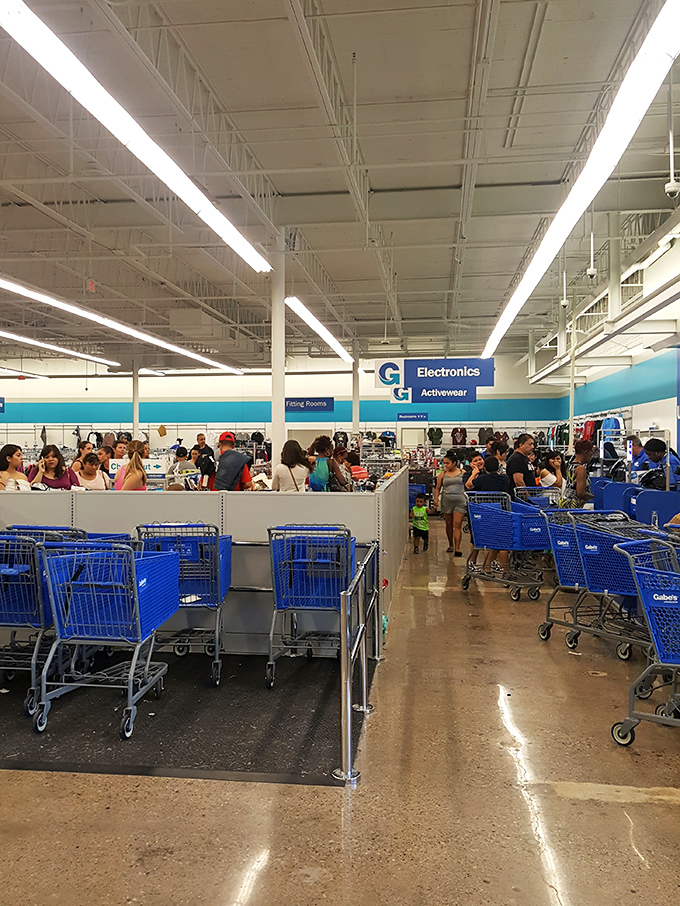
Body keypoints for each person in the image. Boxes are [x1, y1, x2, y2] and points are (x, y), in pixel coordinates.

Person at [433, 450, 466, 555]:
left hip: (460, 501)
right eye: (444, 463)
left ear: (454, 463)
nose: (445, 465)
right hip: (446, 501)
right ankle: (450, 544)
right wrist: (435, 499)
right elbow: (437, 488)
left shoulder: (462, 473)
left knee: (457, 524)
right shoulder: (442, 475)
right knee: (449, 523)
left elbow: (469, 484)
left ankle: (457, 548)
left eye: (447, 463)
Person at [558, 439, 594, 508]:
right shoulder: (581, 468)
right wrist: (593, 497)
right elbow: (580, 493)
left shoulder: (570, 465)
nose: (591, 456)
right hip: (573, 506)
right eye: (591, 453)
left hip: (565, 502)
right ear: (586, 453)